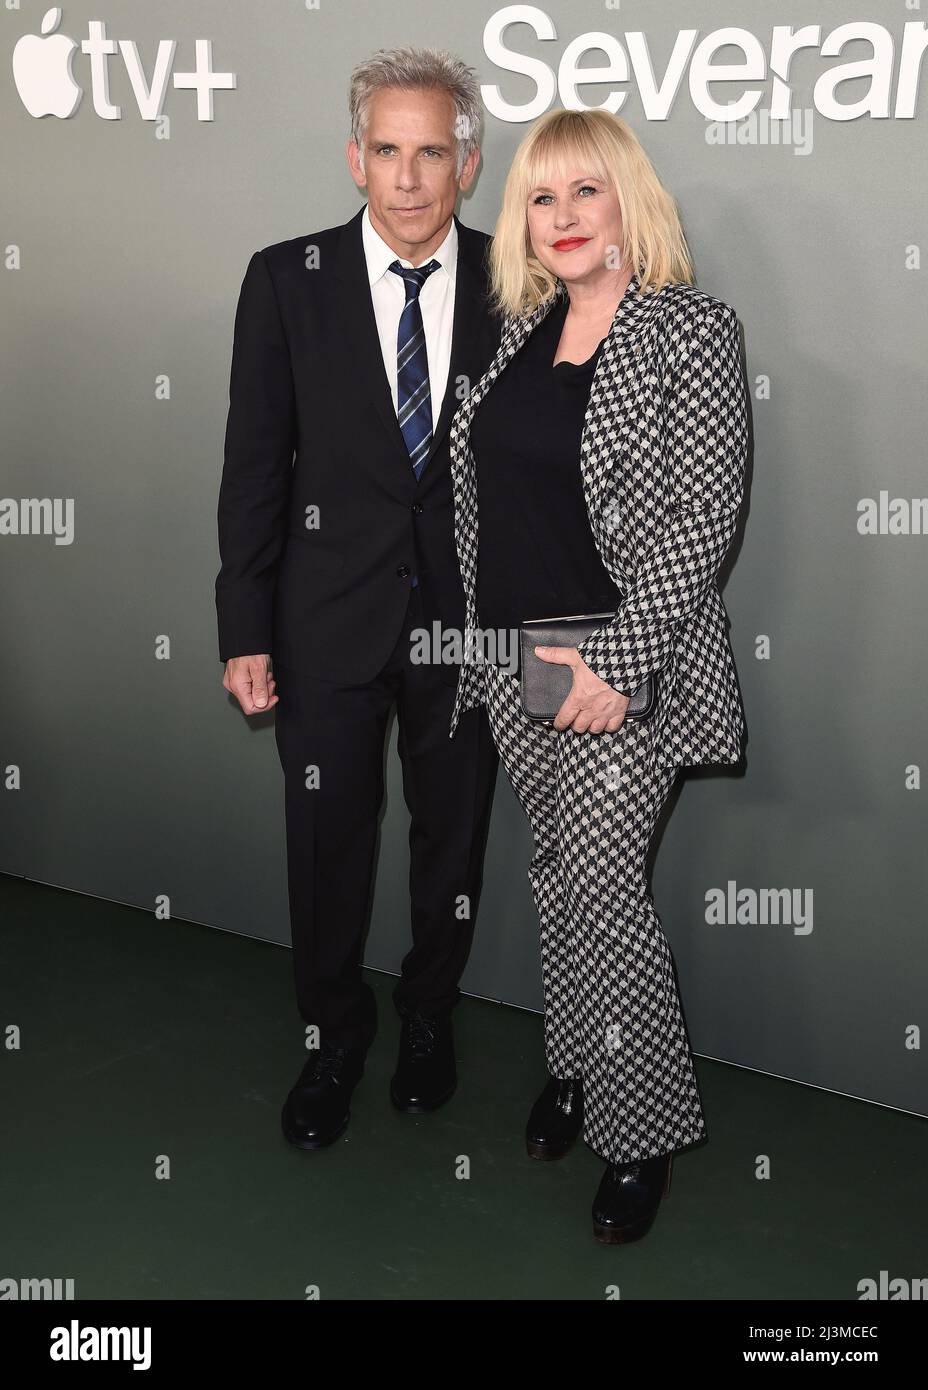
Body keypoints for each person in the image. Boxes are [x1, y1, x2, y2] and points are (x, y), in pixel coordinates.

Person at [446, 107, 749, 1243]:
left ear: (630, 202)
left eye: (586, 192)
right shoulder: (519, 337)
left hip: (624, 653)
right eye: (540, 196)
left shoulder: (689, 328)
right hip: (514, 652)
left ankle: (640, 1133)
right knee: (558, 876)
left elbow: (701, 512)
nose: (563, 217)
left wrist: (620, 660)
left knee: (608, 898)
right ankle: (575, 1067)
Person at [215, 47, 502, 1149]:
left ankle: (429, 1016)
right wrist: (244, 623)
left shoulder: (511, 281)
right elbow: (254, 466)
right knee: (327, 838)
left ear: (466, 164)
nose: (410, 176)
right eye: (388, 150)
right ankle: (333, 1036)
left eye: (433, 152)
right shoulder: (287, 280)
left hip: (466, 629)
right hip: (324, 621)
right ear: (355, 158)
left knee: (453, 841)